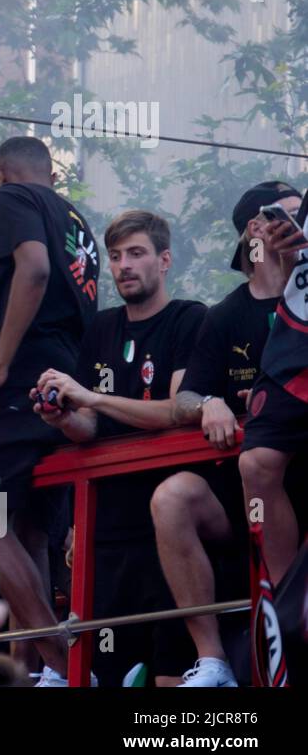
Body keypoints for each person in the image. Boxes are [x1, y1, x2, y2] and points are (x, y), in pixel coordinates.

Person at [34, 210, 206, 685]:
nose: (123, 265)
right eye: (114, 257)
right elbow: (90, 425)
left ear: (164, 260)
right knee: (108, 668)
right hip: (105, 528)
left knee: (174, 671)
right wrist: (64, 415)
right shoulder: (102, 328)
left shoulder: (189, 319)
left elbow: (177, 409)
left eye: (136, 253)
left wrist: (89, 396)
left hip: (168, 527)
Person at [0, 136, 100, 686]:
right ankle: (41, 671)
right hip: (69, 374)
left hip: (26, 373)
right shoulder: (75, 220)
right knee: (31, 522)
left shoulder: (12, 198)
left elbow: (34, 270)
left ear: (0, 172)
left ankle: (68, 665)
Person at [154, 182, 302, 686]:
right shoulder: (224, 315)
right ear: (255, 231)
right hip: (246, 490)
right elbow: (185, 398)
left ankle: (290, 622)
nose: (299, 225)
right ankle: (213, 662)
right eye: (285, 216)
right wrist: (210, 402)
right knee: (172, 496)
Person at [239, 191, 308, 586]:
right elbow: (291, 282)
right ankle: (285, 594)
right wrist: (287, 253)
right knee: (255, 464)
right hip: (292, 349)